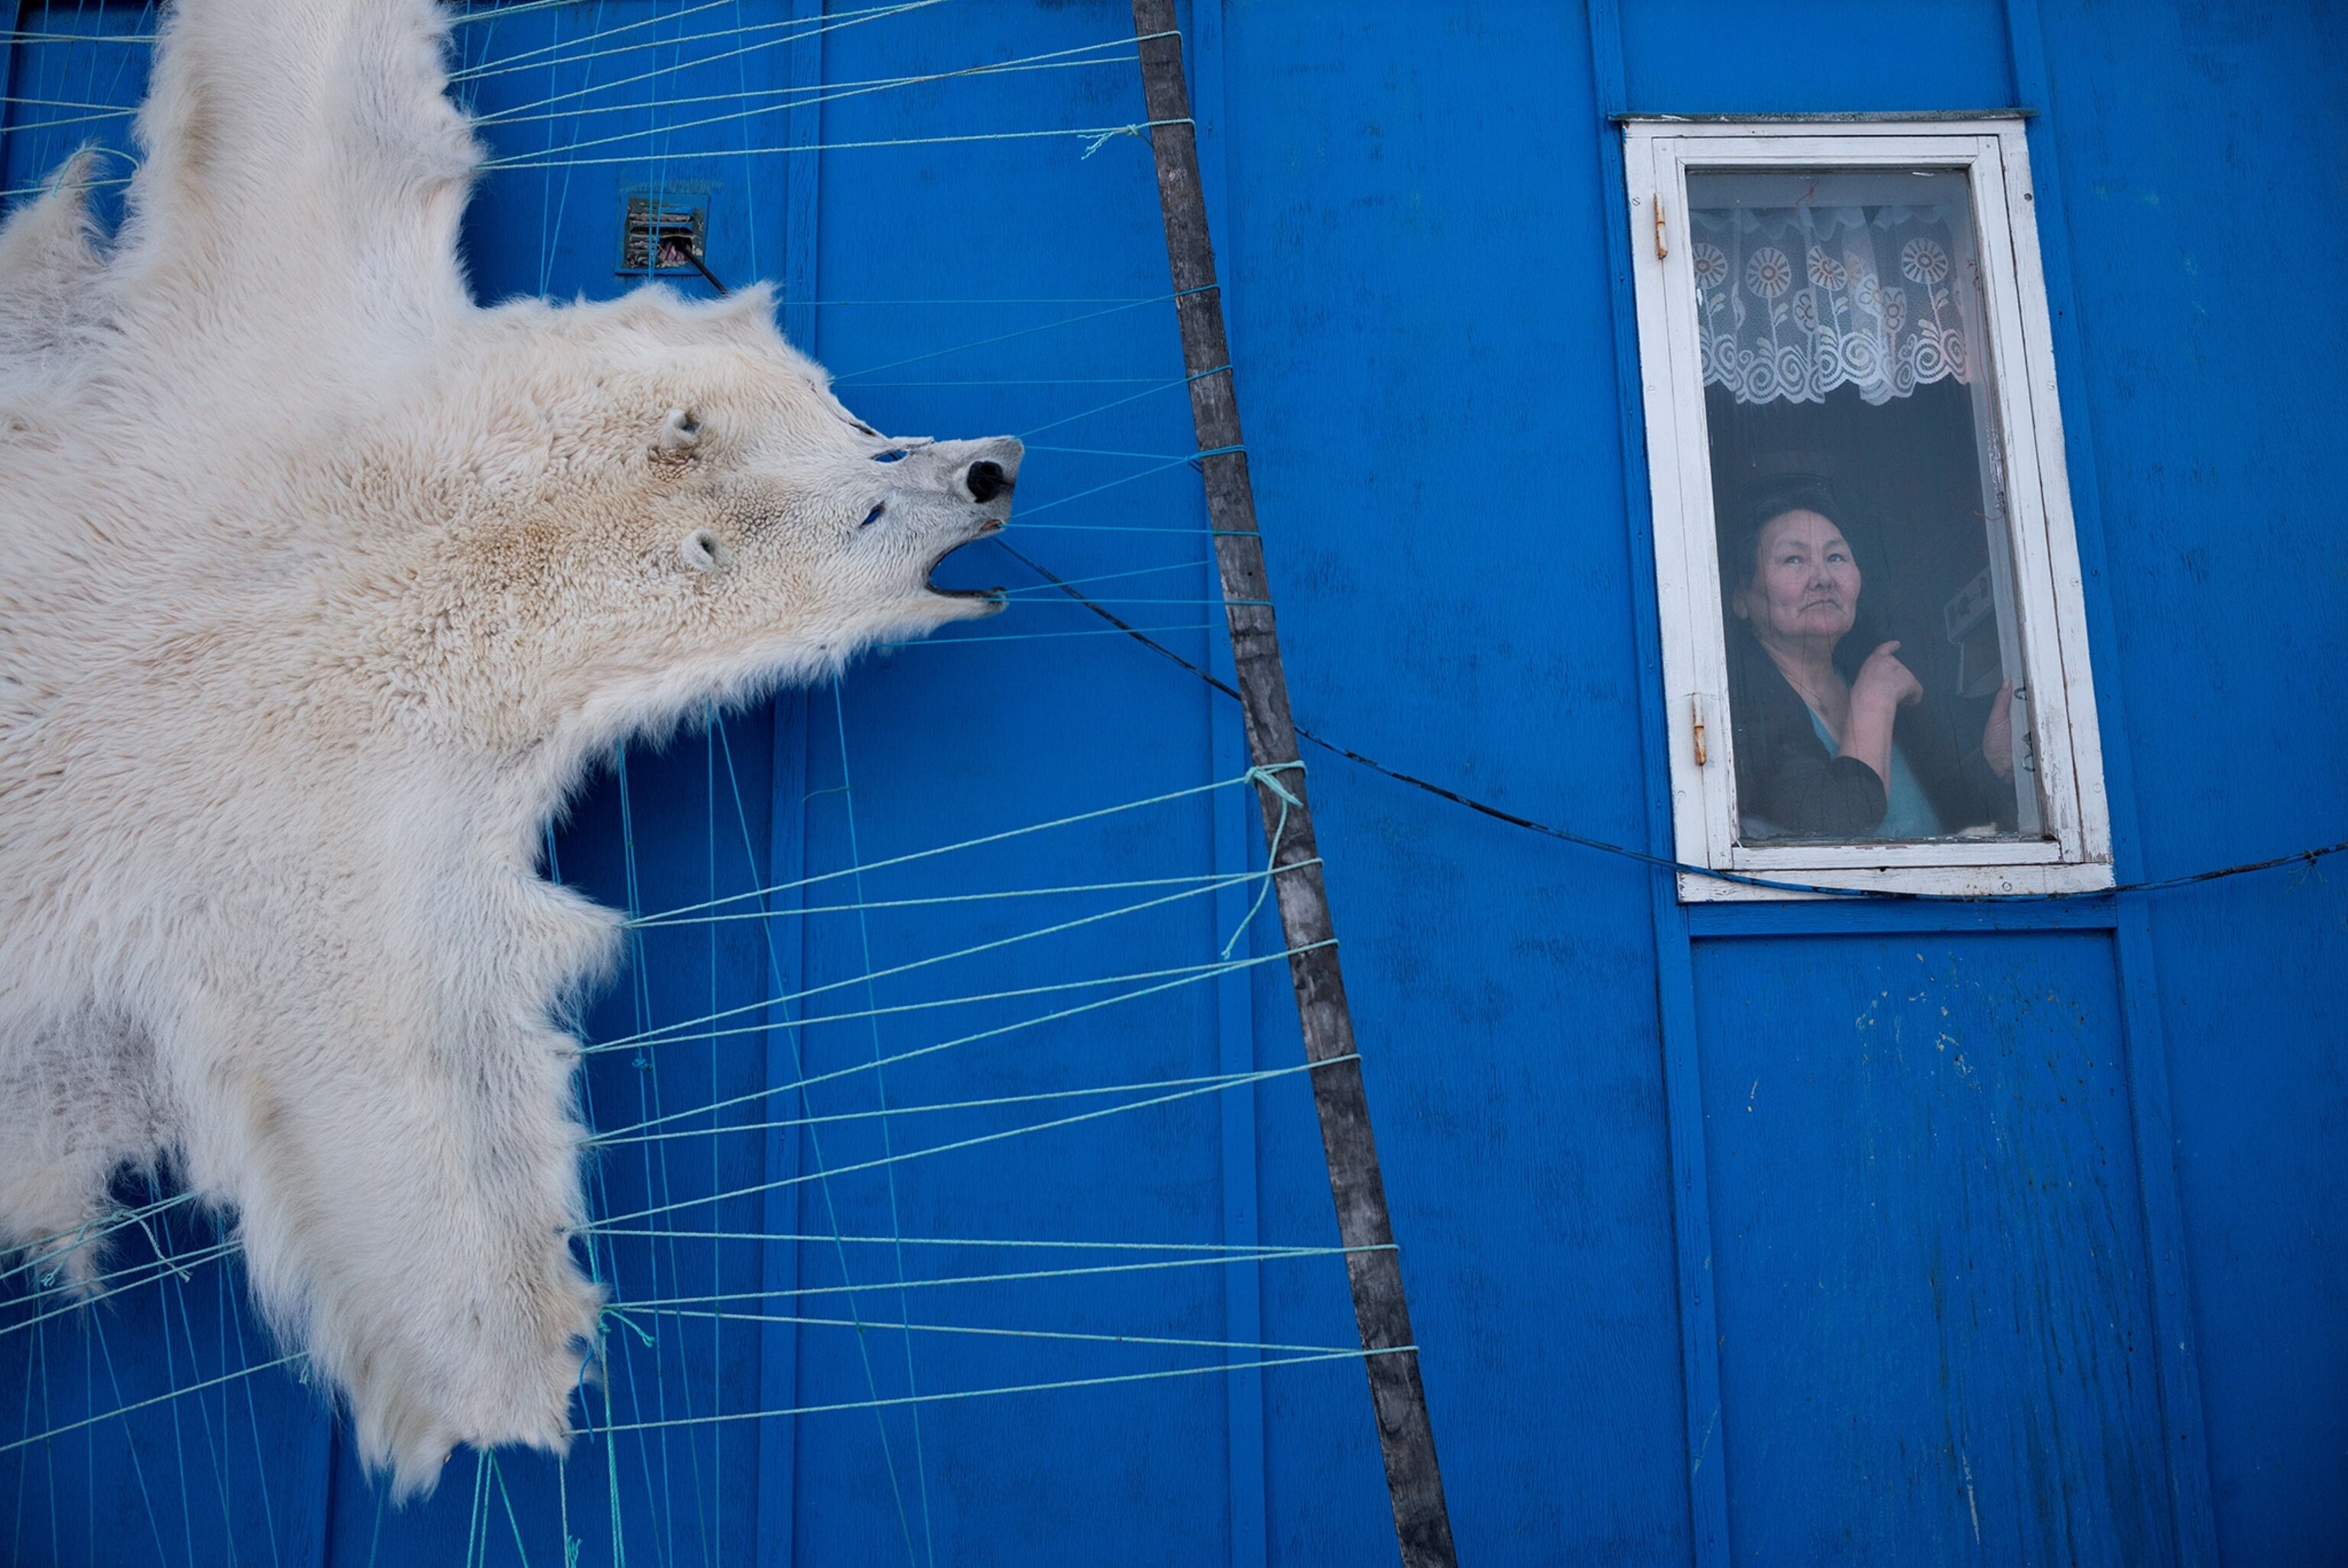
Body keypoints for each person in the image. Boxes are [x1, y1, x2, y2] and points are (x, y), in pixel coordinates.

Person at [1724, 492, 2016, 840]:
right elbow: (1836, 828)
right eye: (1793, 560)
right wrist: (1875, 699)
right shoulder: (1741, 708)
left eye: (1836, 557)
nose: (1823, 578)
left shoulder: (1869, 680)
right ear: (1741, 598)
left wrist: (1993, 763)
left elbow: (1944, 825)